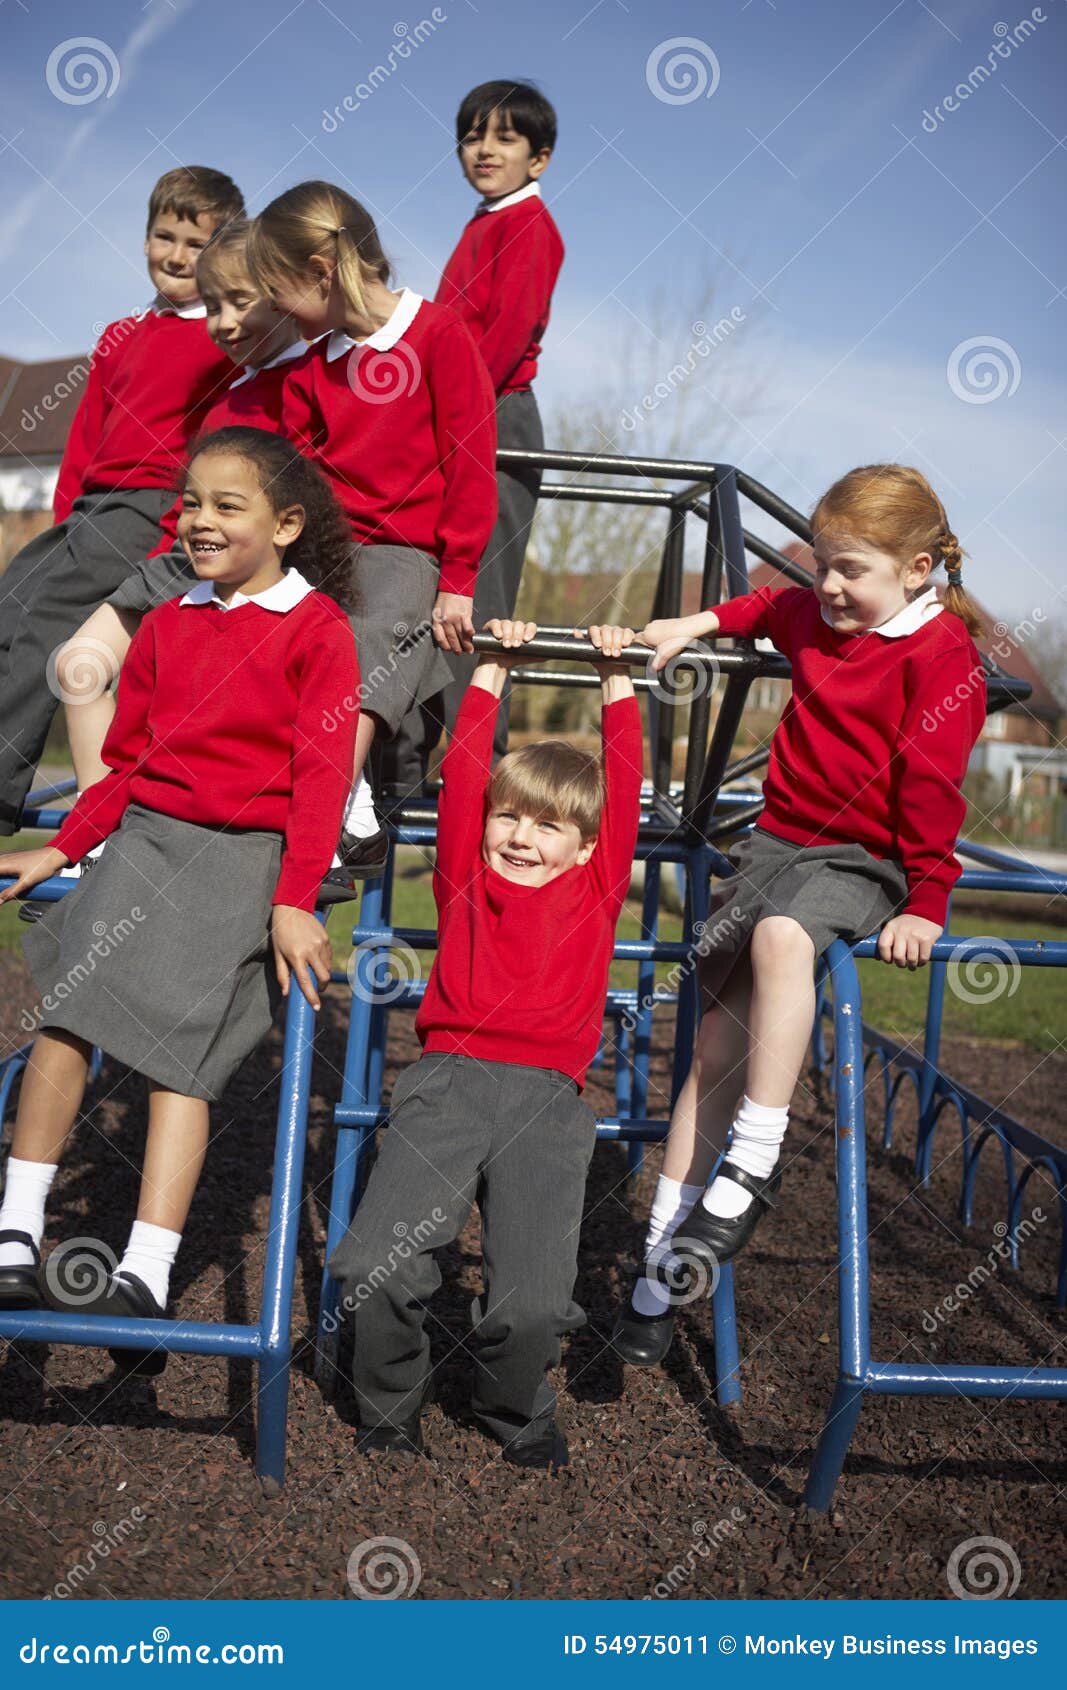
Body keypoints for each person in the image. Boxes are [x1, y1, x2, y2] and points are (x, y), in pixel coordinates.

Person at [610, 463, 988, 1367]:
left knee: (783, 939)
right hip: (777, 843)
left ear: (920, 567)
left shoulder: (941, 659)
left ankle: (750, 1167)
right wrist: (696, 621)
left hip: (863, 858)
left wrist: (927, 899)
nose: (826, 586)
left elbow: (933, 791)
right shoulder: (816, 616)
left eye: (850, 569)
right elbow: (764, 611)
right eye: (820, 564)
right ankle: (662, 1268)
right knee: (708, 1052)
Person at [0, 429, 358, 1380]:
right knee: (66, 1022)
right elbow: (129, 765)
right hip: (147, 840)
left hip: (244, 859)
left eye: (225, 506)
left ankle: (144, 1273)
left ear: (285, 525)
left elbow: (320, 779)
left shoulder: (317, 629)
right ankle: (14, 1232)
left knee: (178, 1059)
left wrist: (293, 899)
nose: (198, 521)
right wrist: (67, 846)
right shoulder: (166, 621)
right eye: (191, 502)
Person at [328, 618, 643, 1468]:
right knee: (377, 1268)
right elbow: (465, 774)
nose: (519, 837)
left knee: (534, 1303)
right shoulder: (465, 874)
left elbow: (624, 779)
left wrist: (616, 678)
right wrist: (493, 667)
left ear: (585, 850)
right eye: (510, 818)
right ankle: (390, 1402)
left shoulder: (595, 892)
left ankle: (511, 1405)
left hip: (545, 1099)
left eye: (546, 829)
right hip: (448, 1083)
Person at [245, 180, 498, 892]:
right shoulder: (310, 368)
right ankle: (339, 796)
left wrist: (458, 579)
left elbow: (472, 463)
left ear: (321, 273)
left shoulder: (439, 337)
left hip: (405, 551)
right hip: (324, 545)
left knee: (368, 626)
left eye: (276, 289)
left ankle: (321, 817)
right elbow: (296, 475)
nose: (272, 308)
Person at [0, 167, 244, 836]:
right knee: (12, 601)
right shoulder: (121, 334)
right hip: (90, 509)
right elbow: (83, 442)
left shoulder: (219, 340)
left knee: (47, 621)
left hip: (150, 508)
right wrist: (62, 526)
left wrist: (178, 529)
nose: (175, 255)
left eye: (195, 245)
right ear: (143, 239)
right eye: (163, 236)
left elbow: (213, 446)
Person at [54, 216, 306, 807]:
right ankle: (95, 834)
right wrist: (160, 560)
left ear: (283, 291)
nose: (222, 322)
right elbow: (187, 503)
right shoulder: (227, 398)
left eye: (240, 301)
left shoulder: (308, 382)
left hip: (255, 583)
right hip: (178, 566)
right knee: (78, 667)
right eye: (213, 305)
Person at [383, 78, 564, 796]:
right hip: (457, 415)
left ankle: (477, 777)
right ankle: (407, 767)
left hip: (494, 418)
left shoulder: (527, 228)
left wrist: (437, 410)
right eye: (471, 136)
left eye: (505, 137)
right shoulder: (483, 219)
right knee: (431, 592)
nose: (484, 149)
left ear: (539, 158)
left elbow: (498, 340)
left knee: (480, 606)